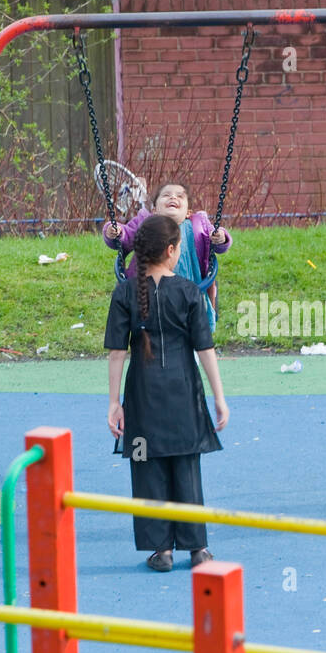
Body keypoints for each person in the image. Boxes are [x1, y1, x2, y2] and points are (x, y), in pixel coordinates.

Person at [104, 213, 229, 572]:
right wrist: (218, 397)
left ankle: (161, 549)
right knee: (186, 463)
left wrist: (114, 403)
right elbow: (205, 349)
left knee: (145, 463)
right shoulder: (190, 291)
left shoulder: (125, 291)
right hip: (183, 394)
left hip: (142, 396)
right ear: (173, 250)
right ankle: (198, 547)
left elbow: (117, 352)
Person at [102, 181, 232, 332]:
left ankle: (193, 353)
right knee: (152, 334)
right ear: (155, 210)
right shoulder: (146, 223)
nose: (173, 198)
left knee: (191, 335)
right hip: (149, 294)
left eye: (179, 196)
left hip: (190, 293)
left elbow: (218, 245)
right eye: (166, 195)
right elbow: (126, 236)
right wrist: (115, 232)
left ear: (189, 212)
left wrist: (220, 237)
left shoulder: (199, 225)